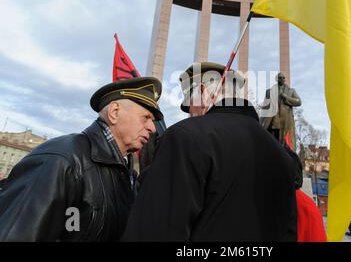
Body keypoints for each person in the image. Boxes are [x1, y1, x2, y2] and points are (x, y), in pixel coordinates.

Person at [122, 62, 297, 241]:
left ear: (204, 92)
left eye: (190, 105)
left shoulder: (185, 137)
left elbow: (154, 231)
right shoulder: (283, 156)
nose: (190, 113)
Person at [0, 77, 163, 241]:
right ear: (114, 112)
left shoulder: (127, 175)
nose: (152, 128)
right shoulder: (61, 159)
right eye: (145, 117)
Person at [260, 72, 302, 152]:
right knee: (271, 146)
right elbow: (265, 106)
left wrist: (287, 98)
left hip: (286, 122)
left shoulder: (291, 91)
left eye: (283, 78)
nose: (282, 79)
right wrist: (261, 121)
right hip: (273, 122)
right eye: (280, 78)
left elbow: (299, 102)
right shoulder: (269, 91)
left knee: (286, 146)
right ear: (277, 79)